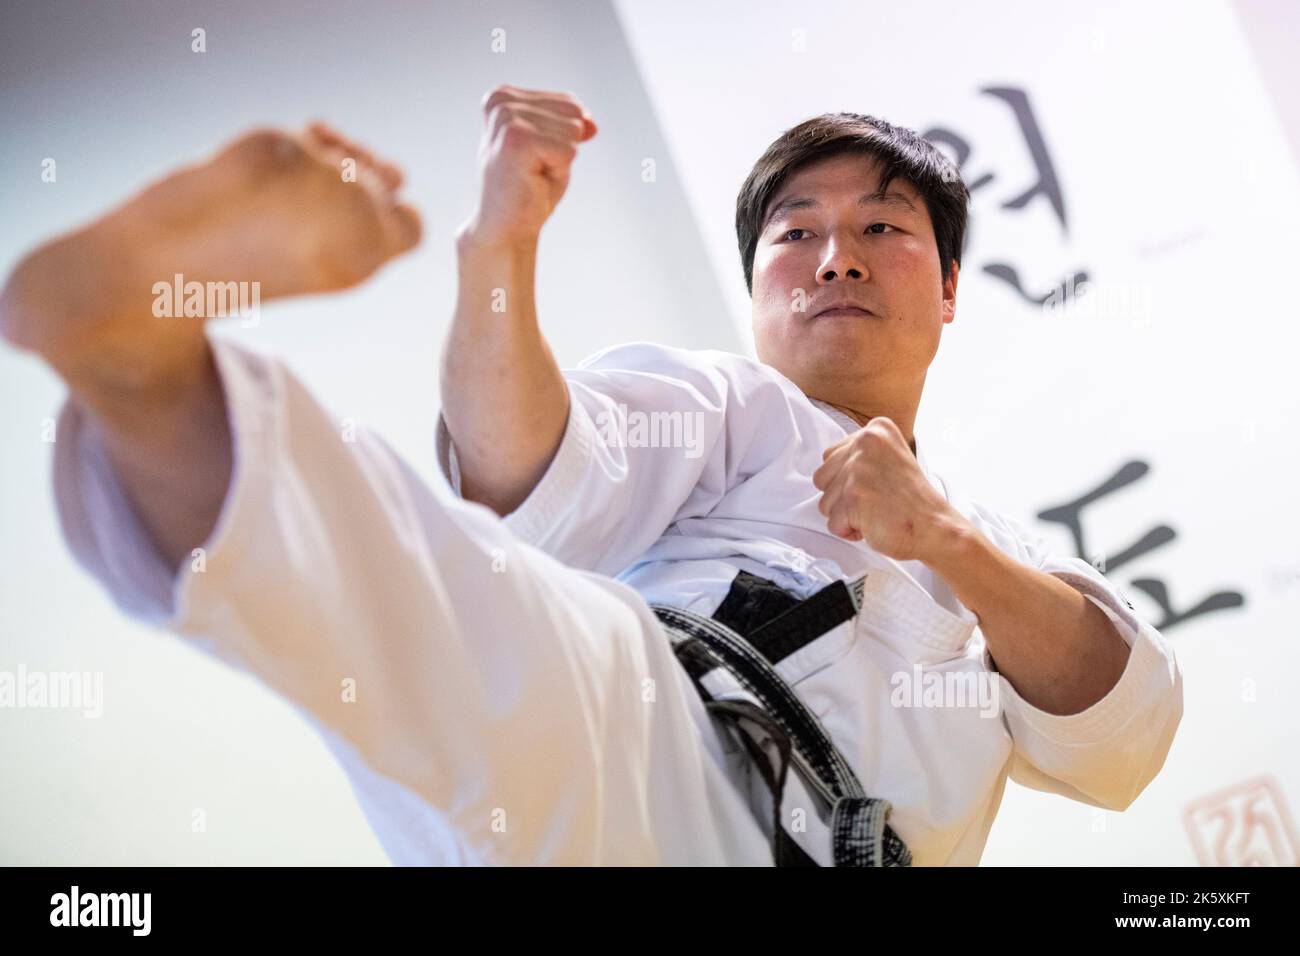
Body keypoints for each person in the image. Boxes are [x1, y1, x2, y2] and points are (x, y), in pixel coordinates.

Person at [0, 85, 1182, 866]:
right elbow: (532, 477)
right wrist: (500, 244)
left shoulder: (1010, 558)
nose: (833, 255)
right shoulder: (734, 406)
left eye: (883, 228)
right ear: (761, 289)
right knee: (464, 596)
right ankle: (140, 357)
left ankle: (144, 375)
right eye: (794, 230)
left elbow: (1116, 733)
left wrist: (943, 542)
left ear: (948, 289)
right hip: (666, 737)